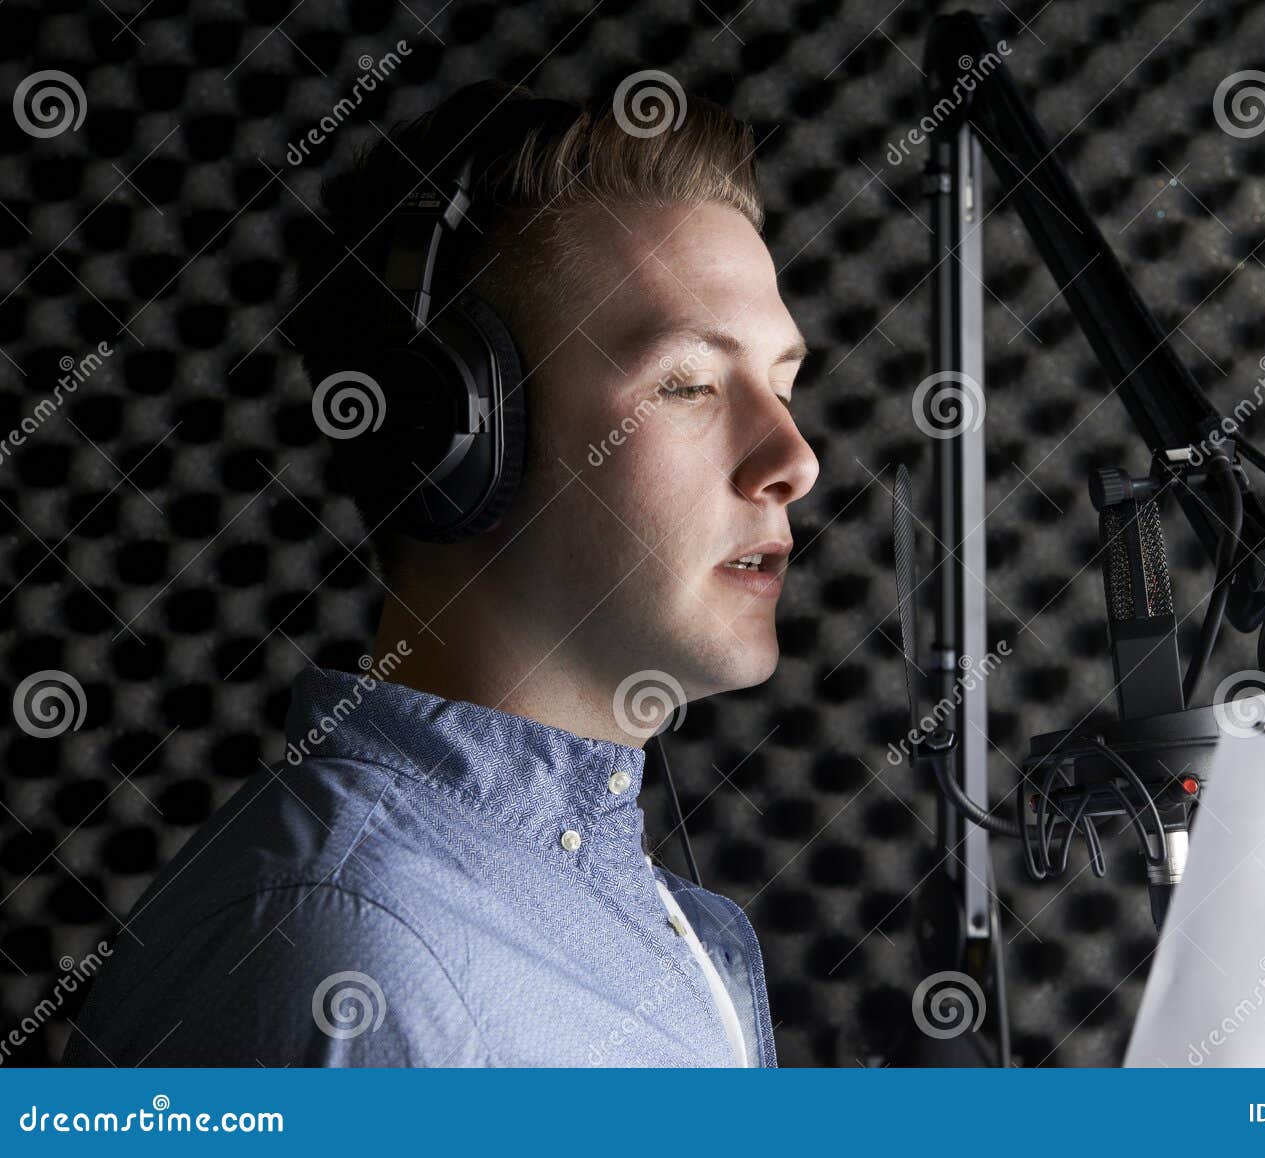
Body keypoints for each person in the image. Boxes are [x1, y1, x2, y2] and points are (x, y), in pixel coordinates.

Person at [61, 78, 818, 1067]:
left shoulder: (607, 910)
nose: (794, 458)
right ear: (455, 435)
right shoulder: (347, 953)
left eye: (785, 383)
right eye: (686, 384)